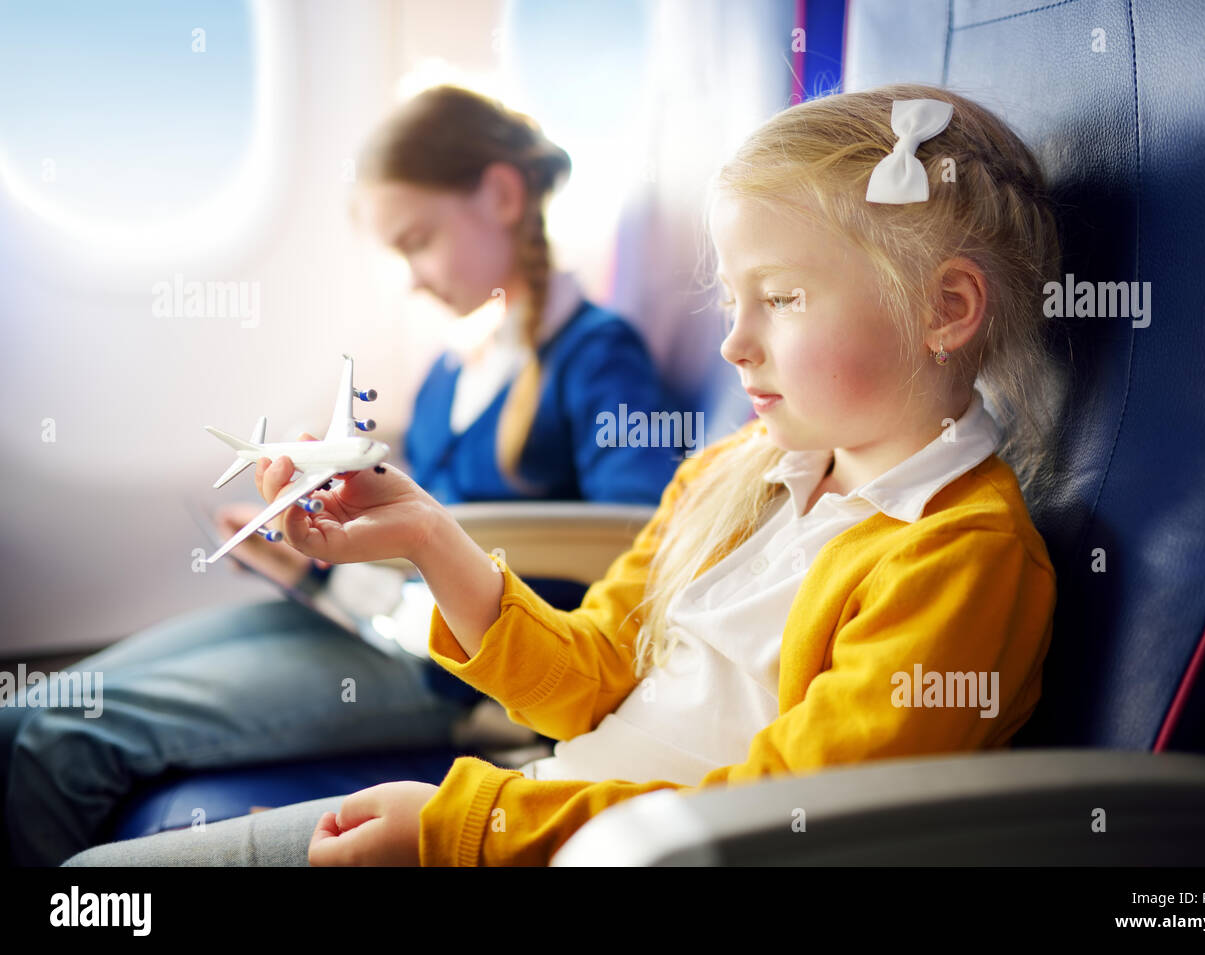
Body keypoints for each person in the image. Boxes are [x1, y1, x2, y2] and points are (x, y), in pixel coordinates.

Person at [61, 83, 1066, 867]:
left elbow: (781, 818)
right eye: (730, 299)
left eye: (783, 297)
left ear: (945, 310)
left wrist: (478, 824)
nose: (733, 345)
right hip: (557, 814)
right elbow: (592, 676)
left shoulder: (955, 557)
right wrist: (424, 533)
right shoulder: (737, 475)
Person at [1, 85, 682, 867]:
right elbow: (407, 542)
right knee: (29, 712)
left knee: (65, 739)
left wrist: (425, 544)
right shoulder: (452, 374)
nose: (415, 277)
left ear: (500, 194)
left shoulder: (596, 356)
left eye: (418, 240)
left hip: (451, 668)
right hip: (368, 621)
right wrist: (315, 565)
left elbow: (633, 542)